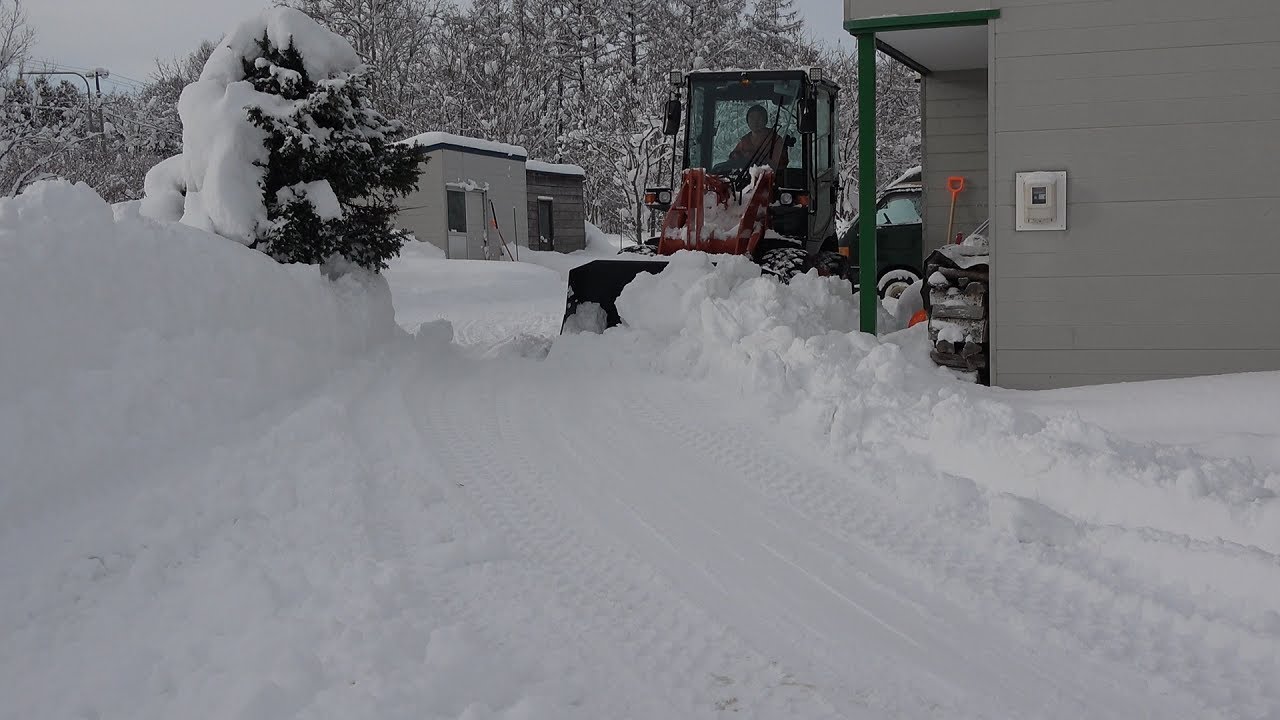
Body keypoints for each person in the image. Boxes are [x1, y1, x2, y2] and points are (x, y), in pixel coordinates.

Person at [728, 104, 788, 170]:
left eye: (759, 118)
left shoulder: (775, 141)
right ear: (747, 121)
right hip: (747, 178)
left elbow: (780, 165)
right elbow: (733, 159)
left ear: (765, 120)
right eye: (752, 118)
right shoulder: (744, 141)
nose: (755, 121)